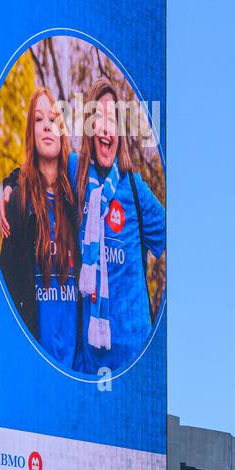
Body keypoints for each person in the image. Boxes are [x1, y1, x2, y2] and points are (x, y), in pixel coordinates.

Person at [72, 76, 165, 374]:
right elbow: (37, 165)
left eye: (113, 120)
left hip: (135, 361)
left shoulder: (135, 189)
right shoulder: (75, 176)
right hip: (89, 366)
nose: (107, 130)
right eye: (99, 118)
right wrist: (9, 187)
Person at [0, 88, 80, 368]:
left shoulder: (78, 198)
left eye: (54, 119)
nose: (47, 125)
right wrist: (11, 185)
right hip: (35, 361)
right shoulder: (19, 202)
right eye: (38, 119)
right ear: (31, 133)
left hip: (79, 364)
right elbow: (6, 289)